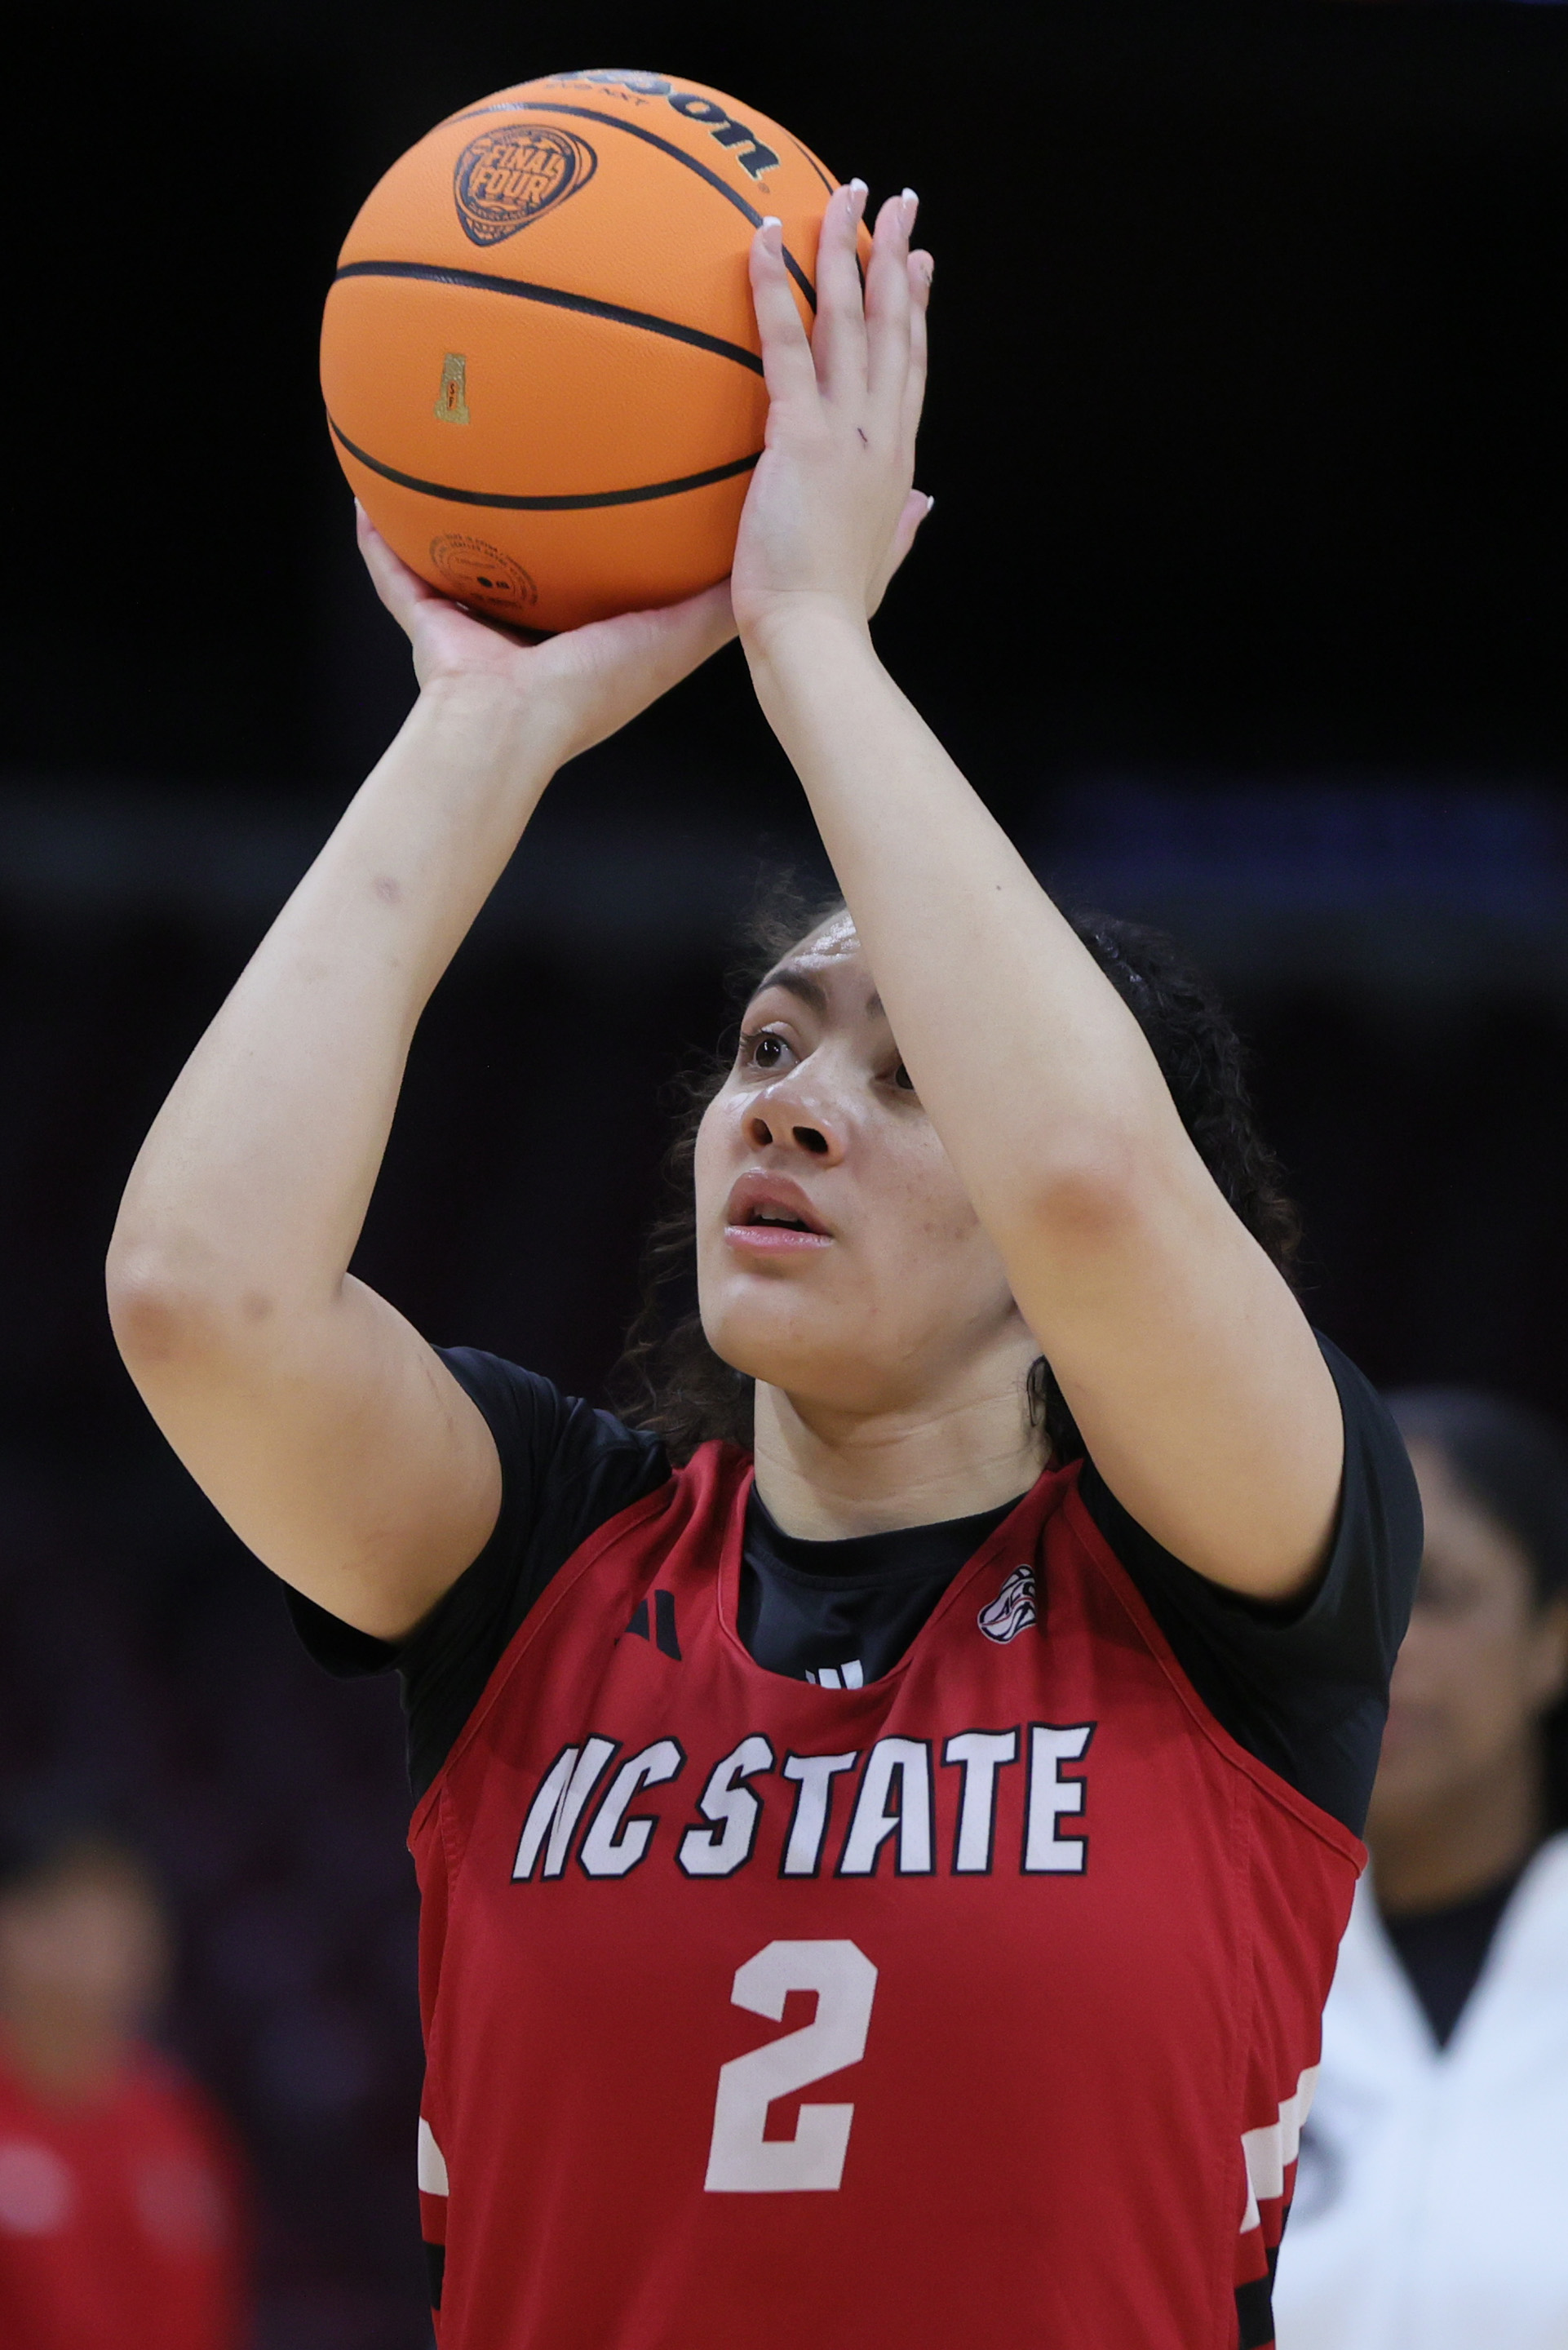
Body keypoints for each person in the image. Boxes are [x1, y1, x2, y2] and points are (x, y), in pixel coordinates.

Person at [105, 180, 1420, 2350]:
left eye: (909, 1081)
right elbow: (197, 1297)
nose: (792, 1104)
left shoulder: (1234, 1587)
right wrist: (483, 720)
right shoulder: (548, 1565)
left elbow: (1089, 1174)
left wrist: (812, 639)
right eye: (769, 1048)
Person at [1273, 1390, 1568, 2350]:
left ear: (1550, 1640)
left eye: (1435, 1593)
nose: (1381, 1644)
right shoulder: (1216, 1951)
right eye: (1341, 1593)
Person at [0, 1808, 250, 2350]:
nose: (115, 1944)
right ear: (13, 1929)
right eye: (81, 1914)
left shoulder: (182, 2125)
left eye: (129, 1915)